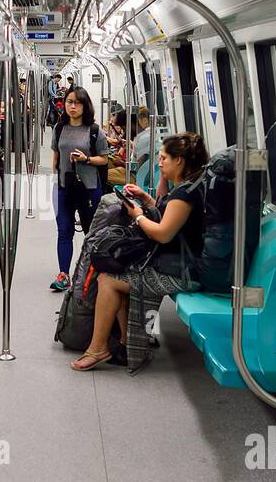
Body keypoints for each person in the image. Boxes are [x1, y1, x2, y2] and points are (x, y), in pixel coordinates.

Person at [70, 133, 209, 372]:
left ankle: (98, 347)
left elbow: (163, 232)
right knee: (122, 272)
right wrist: (146, 199)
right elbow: (168, 216)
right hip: (178, 262)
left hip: (184, 272)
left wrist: (138, 216)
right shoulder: (189, 186)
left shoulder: (184, 194)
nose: (159, 163)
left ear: (179, 161)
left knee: (108, 279)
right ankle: (126, 343)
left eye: (164, 158)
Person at [50, 87, 110, 291]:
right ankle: (63, 274)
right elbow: (56, 157)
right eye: (69, 102)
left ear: (85, 106)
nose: (72, 106)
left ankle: (91, 274)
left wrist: (86, 159)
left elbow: (104, 159)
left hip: (89, 188)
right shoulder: (59, 129)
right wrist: (57, 176)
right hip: (64, 187)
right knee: (63, 231)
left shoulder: (95, 131)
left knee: (91, 233)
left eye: (77, 103)